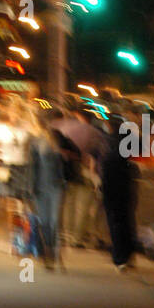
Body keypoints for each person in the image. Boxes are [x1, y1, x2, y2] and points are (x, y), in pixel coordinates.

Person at [52, 105, 109, 248]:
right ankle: (77, 238)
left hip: (67, 169)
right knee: (83, 205)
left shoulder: (65, 128)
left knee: (68, 202)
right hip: (85, 170)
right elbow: (98, 154)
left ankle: (66, 234)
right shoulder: (95, 133)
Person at [0, 95, 32, 251]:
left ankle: (20, 237)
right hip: (5, 167)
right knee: (9, 204)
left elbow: (29, 151)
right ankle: (12, 239)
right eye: (12, 111)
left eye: (18, 111)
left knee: (21, 206)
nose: (15, 114)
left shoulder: (27, 129)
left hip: (22, 167)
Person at [28, 116, 69, 269]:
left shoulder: (59, 139)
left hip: (56, 185)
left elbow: (68, 161)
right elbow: (32, 166)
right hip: (41, 186)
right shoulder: (36, 141)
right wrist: (30, 187)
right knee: (45, 221)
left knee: (54, 221)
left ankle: (53, 252)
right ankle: (48, 252)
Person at [100, 113, 139, 272]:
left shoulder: (108, 142)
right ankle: (128, 254)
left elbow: (104, 164)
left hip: (111, 185)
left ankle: (119, 257)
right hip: (126, 185)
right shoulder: (128, 140)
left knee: (114, 221)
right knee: (126, 220)